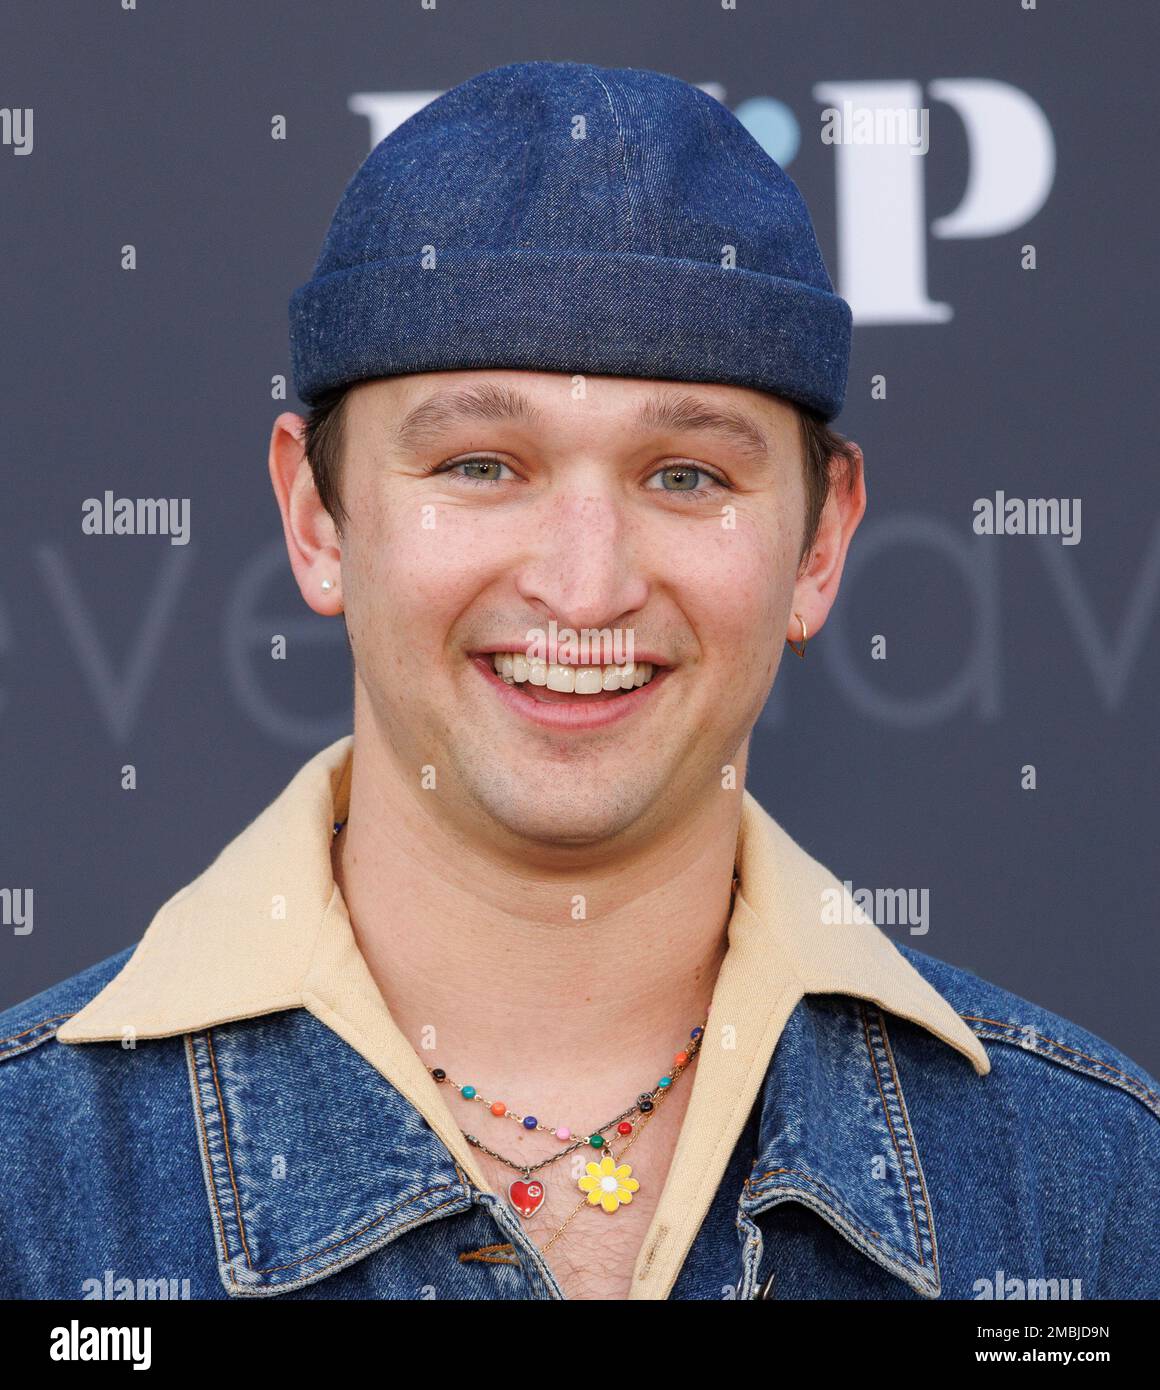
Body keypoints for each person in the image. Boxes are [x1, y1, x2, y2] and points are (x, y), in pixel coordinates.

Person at [2, 61, 1157, 1302]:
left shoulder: (1082, 1195)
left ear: (818, 546)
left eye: (685, 477)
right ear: (318, 518)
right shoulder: (29, 1187)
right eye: (483, 465)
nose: (586, 583)